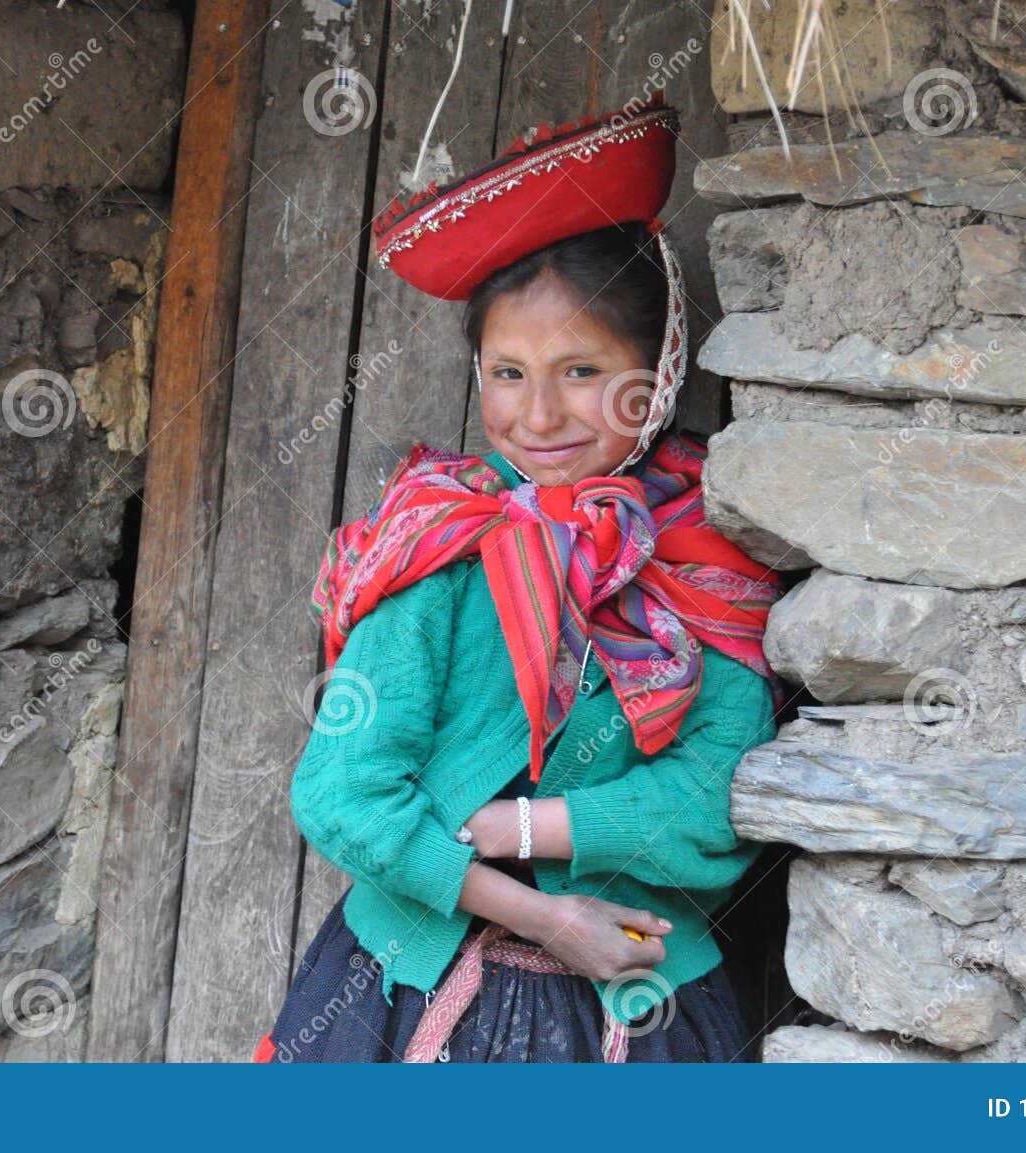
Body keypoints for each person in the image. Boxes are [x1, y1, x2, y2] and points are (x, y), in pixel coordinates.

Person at [256, 95, 782, 1063]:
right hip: (399, 998)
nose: (537, 415)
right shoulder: (444, 545)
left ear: (659, 369)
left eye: (580, 370)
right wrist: (544, 918)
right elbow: (343, 793)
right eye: (507, 372)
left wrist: (512, 823)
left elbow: (721, 799)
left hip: (648, 996)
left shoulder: (711, 556)